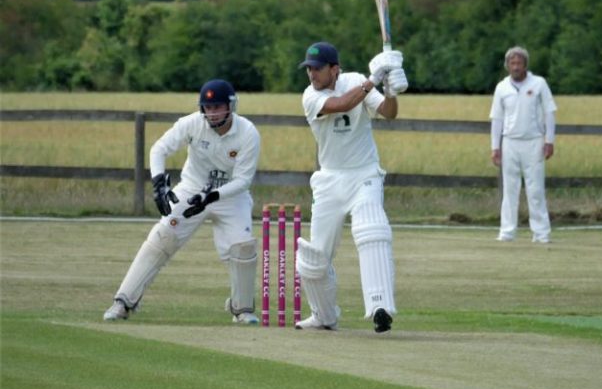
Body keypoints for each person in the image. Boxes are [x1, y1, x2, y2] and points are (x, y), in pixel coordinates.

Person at [103, 79, 262, 324]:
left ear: (231, 107)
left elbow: (242, 180)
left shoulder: (248, 132)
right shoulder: (192, 124)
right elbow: (159, 149)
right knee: (162, 237)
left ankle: (242, 310)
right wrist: (158, 184)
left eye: (218, 107)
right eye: (207, 108)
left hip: (231, 196)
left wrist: (212, 196)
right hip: (192, 188)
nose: (212, 113)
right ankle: (123, 302)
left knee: (242, 248)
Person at [294, 41, 407, 333]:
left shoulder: (355, 81)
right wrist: (374, 80)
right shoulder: (310, 96)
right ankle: (323, 315)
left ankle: (380, 306)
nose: (312, 75)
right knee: (315, 258)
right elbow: (342, 105)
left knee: (372, 231)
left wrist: (391, 85)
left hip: (364, 173)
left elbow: (389, 112)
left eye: (318, 69)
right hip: (330, 180)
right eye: (309, 69)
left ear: (335, 69)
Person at [489, 46, 557, 243]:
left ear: (525, 64)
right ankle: (507, 231)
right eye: (512, 63)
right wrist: (495, 147)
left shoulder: (539, 84)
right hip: (510, 142)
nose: (516, 66)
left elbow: (549, 112)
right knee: (510, 189)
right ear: (507, 65)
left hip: (534, 141)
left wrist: (549, 141)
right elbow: (497, 119)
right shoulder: (502, 87)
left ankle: (541, 233)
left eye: (519, 63)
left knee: (535, 188)